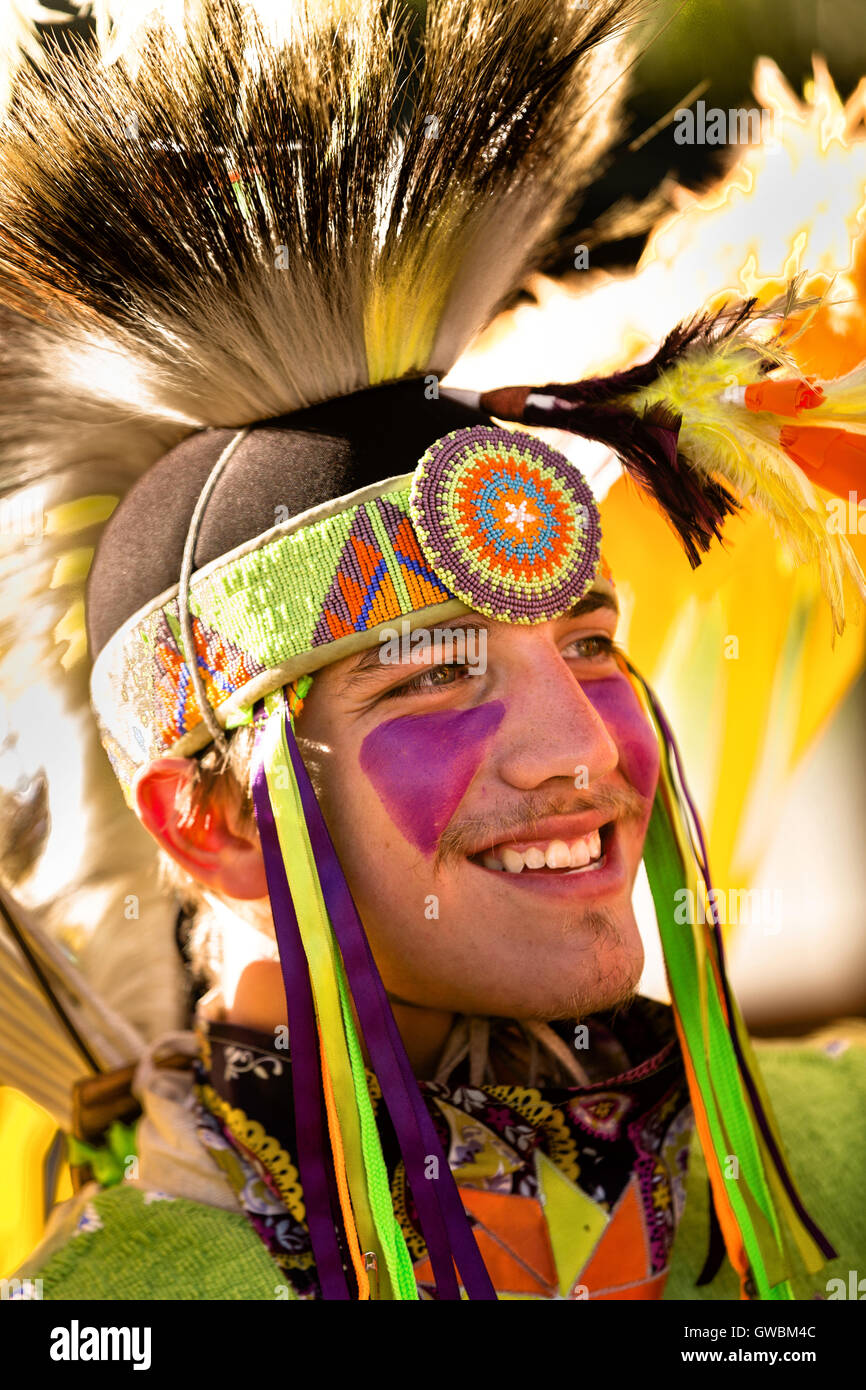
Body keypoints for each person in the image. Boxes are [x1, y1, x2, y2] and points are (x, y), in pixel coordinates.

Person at [3, 0, 865, 1302]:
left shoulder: (829, 1158)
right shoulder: (127, 1304)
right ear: (210, 819)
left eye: (587, 642)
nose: (581, 747)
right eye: (430, 673)